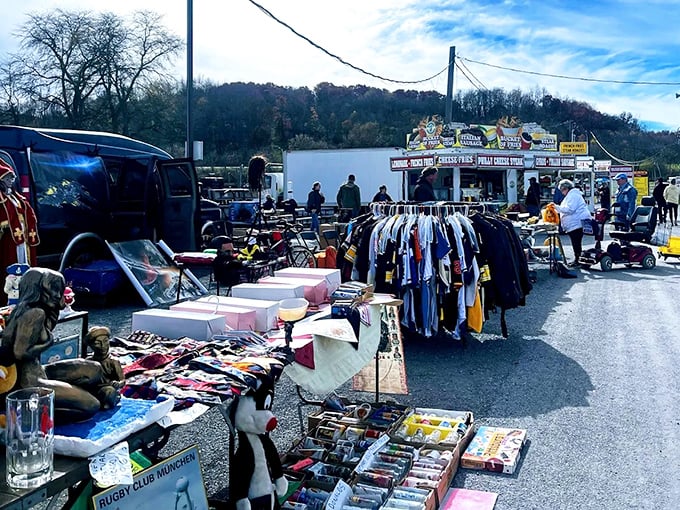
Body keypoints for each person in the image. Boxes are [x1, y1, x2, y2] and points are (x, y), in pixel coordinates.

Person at [2, 267, 107, 423]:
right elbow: (20, 352)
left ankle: (68, 395)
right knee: (91, 405)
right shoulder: (35, 314)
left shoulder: (34, 311)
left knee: (95, 369)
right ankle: (31, 416)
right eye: (56, 289)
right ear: (41, 290)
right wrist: (48, 343)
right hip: (29, 383)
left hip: (39, 371)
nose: (59, 296)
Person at [0, 160, 40, 305]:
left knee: (26, 267)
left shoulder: (15, 196)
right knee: (12, 270)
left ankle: (26, 297)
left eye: (12, 178)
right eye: (7, 178)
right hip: (9, 242)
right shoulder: (2, 199)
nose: (10, 181)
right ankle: (11, 300)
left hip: (23, 241)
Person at [552, 179, 592, 268]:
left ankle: (578, 260)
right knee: (576, 242)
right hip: (575, 223)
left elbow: (570, 209)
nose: (562, 193)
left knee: (576, 242)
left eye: (562, 190)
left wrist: (556, 207)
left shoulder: (573, 195)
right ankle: (578, 259)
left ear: (566, 188)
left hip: (577, 223)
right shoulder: (572, 195)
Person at [85, 326, 124, 409]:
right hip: (93, 390)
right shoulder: (88, 361)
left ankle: (109, 401)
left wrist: (118, 384)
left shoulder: (113, 361)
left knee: (109, 392)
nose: (103, 346)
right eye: (98, 343)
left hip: (107, 389)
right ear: (91, 346)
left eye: (106, 341)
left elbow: (122, 381)